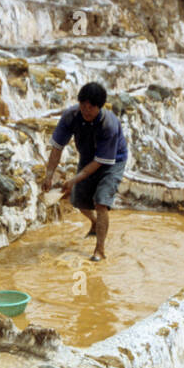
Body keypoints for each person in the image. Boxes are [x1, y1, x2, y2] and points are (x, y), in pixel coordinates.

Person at [41, 81, 129, 262]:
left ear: (100, 106)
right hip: (89, 158)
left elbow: (101, 162)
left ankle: (100, 250)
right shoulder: (70, 116)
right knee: (77, 199)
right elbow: (57, 148)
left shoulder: (109, 125)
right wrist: (49, 175)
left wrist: (74, 179)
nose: (86, 111)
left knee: (101, 202)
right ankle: (96, 223)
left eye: (91, 107)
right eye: (83, 105)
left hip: (113, 161)